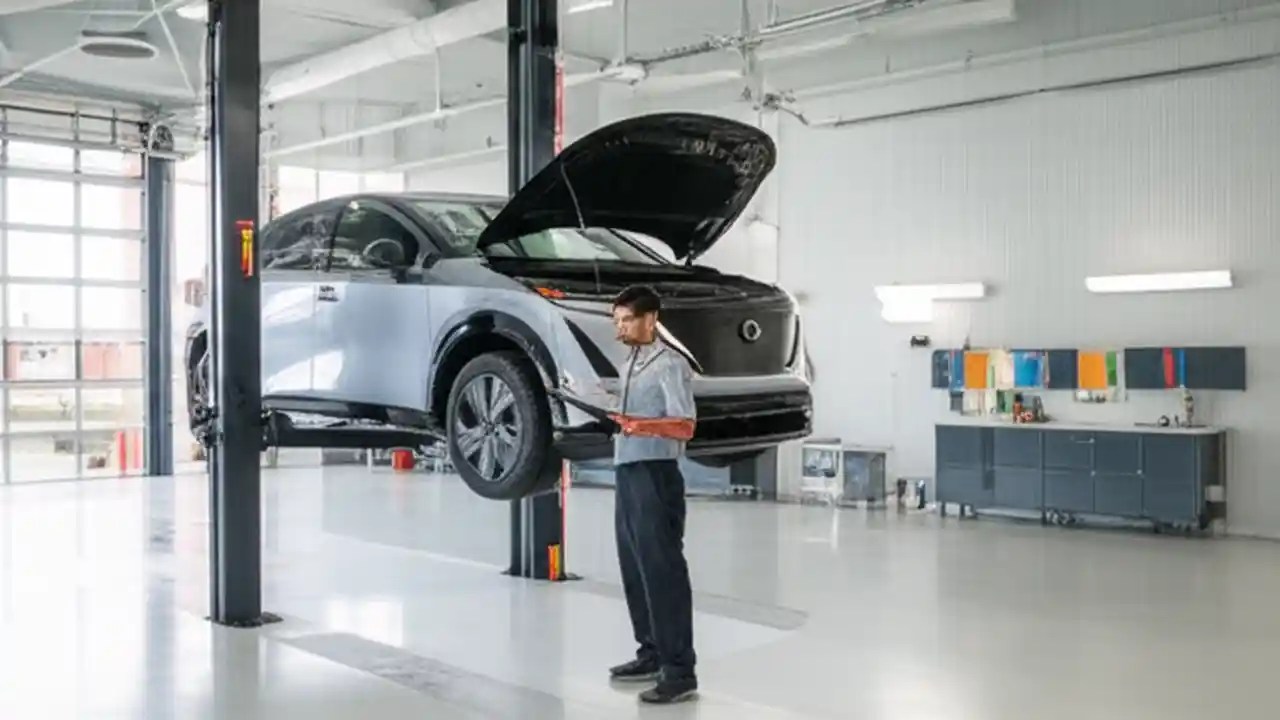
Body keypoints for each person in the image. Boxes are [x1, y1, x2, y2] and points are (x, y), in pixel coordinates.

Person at [606, 284, 699, 705]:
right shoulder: (629, 364)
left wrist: (638, 426)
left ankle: (679, 672)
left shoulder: (670, 365)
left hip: (656, 474)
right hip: (626, 470)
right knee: (633, 568)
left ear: (650, 318)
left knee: (662, 573)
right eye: (616, 321)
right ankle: (651, 653)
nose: (619, 329)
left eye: (626, 320)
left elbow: (684, 426)